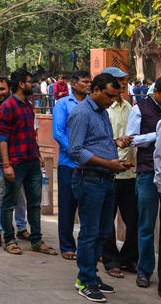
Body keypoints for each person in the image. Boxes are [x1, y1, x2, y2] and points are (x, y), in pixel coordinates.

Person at [68, 73, 134, 302]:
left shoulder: (102, 111)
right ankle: (84, 280)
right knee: (89, 232)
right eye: (109, 95)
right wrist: (108, 163)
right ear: (95, 90)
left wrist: (115, 143)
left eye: (116, 97)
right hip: (89, 179)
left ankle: (91, 275)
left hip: (106, 179)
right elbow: (75, 150)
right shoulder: (81, 113)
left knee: (104, 231)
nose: (113, 101)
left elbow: (94, 141)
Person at [0, 70, 56, 256]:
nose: (34, 85)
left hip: (31, 160)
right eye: (31, 82)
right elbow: (3, 138)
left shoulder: (28, 105)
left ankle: (36, 239)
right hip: (15, 162)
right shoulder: (8, 106)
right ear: (22, 84)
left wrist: (37, 154)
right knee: (9, 203)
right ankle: (9, 239)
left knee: (34, 202)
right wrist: (6, 164)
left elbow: (31, 132)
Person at [126, 75, 161, 288]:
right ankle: (145, 269)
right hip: (147, 171)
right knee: (146, 225)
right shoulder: (139, 109)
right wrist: (157, 134)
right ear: (157, 92)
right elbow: (131, 139)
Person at [0, 77, 30, 247]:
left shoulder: (21, 107)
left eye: (3, 89)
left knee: (21, 197)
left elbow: (29, 134)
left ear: (10, 88)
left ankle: (22, 227)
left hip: (19, 160)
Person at [100, 67, 139, 280]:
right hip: (111, 169)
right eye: (120, 81)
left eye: (125, 80)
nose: (124, 84)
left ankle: (128, 258)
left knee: (135, 220)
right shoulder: (104, 109)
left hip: (130, 171)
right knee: (108, 221)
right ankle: (111, 260)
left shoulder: (130, 107)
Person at [52, 70, 92, 260]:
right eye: (85, 82)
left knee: (89, 207)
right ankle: (67, 245)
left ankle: (89, 247)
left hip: (91, 164)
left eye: (90, 82)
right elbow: (59, 134)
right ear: (74, 84)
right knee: (67, 207)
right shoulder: (63, 104)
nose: (88, 85)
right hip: (69, 163)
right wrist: (79, 153)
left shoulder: (93, 104)